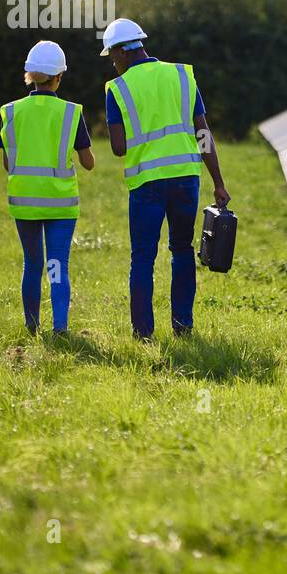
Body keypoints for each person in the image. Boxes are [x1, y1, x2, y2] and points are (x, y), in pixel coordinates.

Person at [100, 18, 230, 340]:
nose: (113, 64)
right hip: (186, 178)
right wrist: (218, 181)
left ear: (122, 51)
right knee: (182, 250)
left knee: (143, 257)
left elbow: (118, 148)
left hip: (147, 184)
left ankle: (144, 334)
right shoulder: (182, 76)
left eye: (112, 56)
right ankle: (183, 327)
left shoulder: (117, 89)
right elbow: (202, 132)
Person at [0, 40, 94, 334]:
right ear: (59, 77)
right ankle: (60, 329)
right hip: (60, 204)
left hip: (25, 202)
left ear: (30, 75)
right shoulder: (71, 113)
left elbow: (7, 163)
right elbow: (88, 162)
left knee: (32, 265)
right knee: (56, 266)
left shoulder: (11, 112)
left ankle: (31, 327)